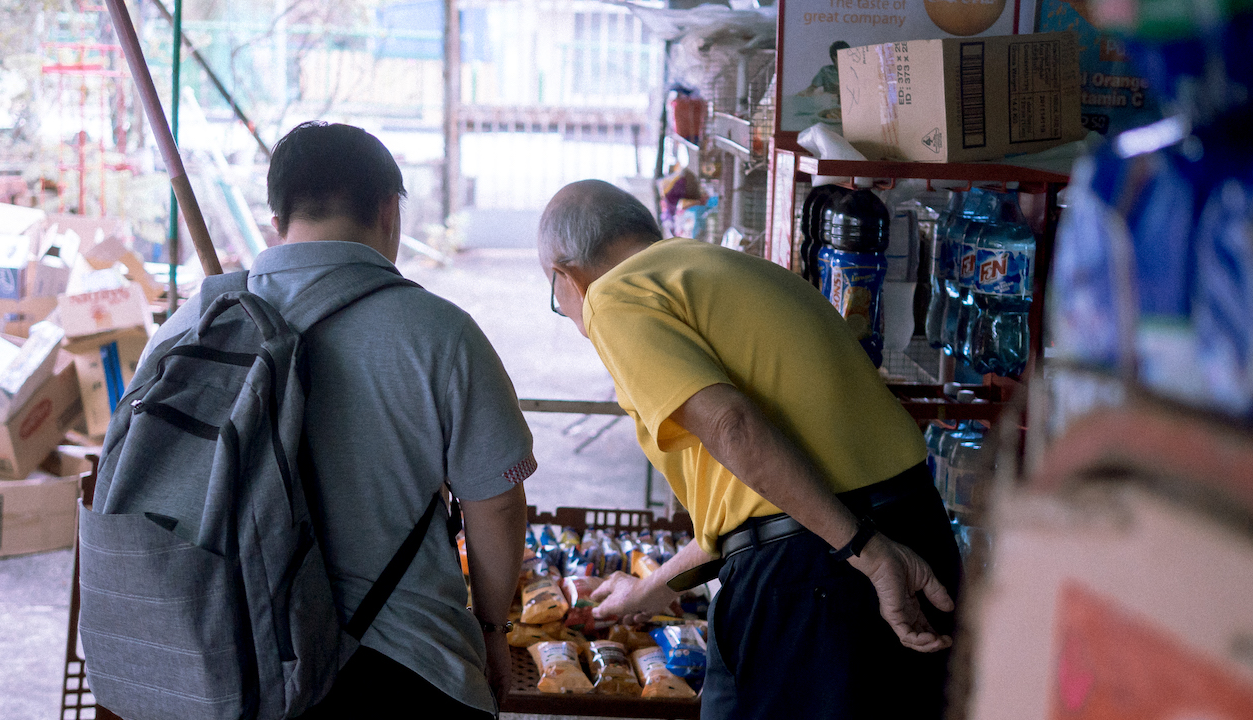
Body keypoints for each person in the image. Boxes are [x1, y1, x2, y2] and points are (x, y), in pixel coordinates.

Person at [148, 122, 533, 719]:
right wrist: (490, 629)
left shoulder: (189, 329)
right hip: (408, 666)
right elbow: (498, 506)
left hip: (234, 667)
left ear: (277, 219)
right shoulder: (442, 334)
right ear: (388, 209)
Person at [537, 179, 962, 719]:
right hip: (903, 533)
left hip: (829, 571)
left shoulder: (615, 295)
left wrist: (868, 552)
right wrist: (648, 590)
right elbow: (754, 512)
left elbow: (734, 429)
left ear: (565, 278)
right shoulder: (731, 272)